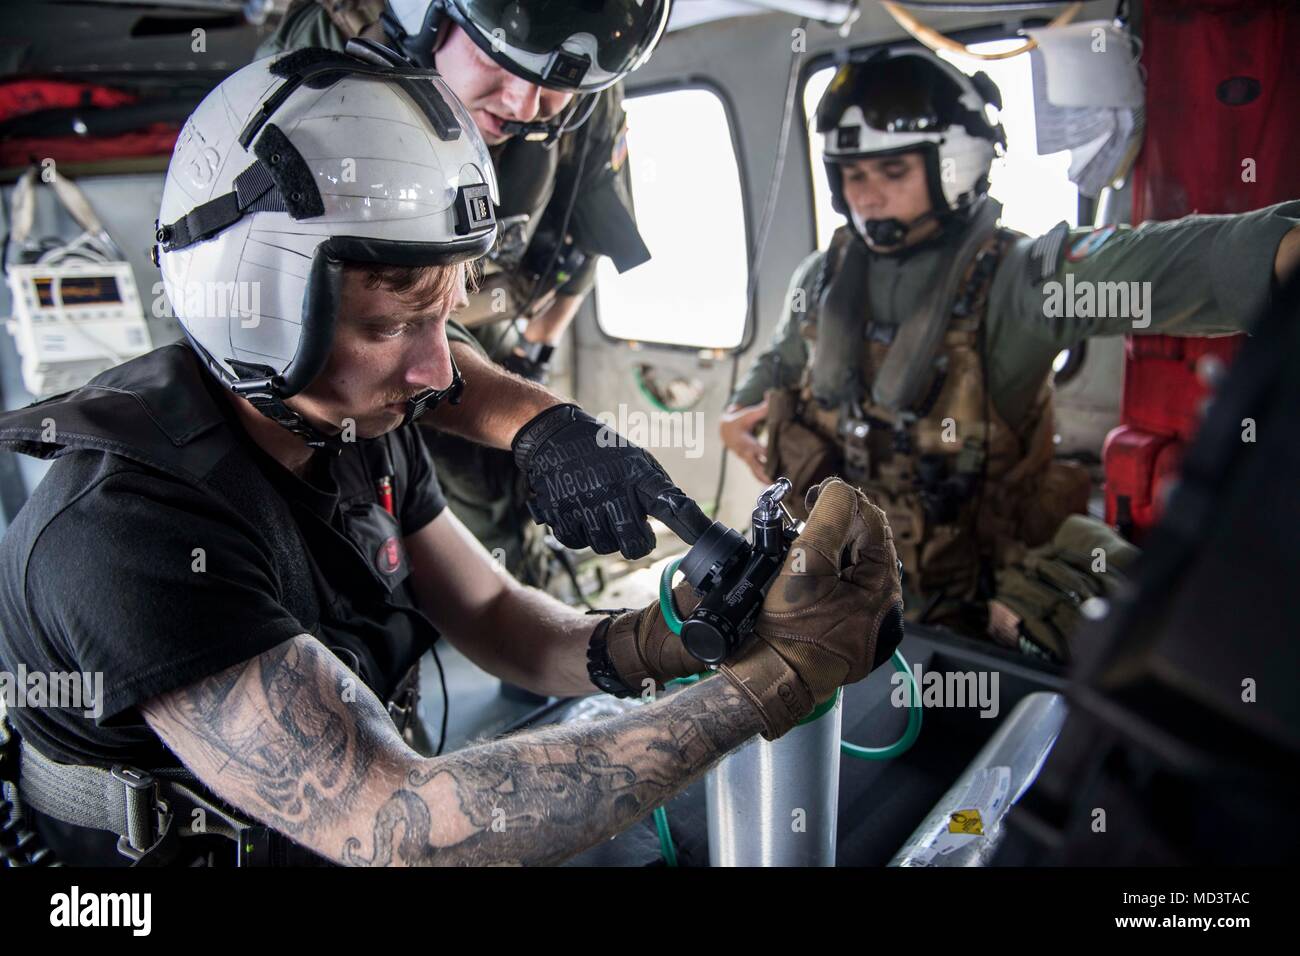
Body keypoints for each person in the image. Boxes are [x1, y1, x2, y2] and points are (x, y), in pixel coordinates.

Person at [0, 51, 904, 866]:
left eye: (446, 316)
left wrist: (663, 640)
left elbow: (495, 616)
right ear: (253, 309)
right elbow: (391, 820)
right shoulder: (127, 527)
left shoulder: (352, 421)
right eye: (391, 324)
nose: (439, 371)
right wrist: (768, 687)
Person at [720, 47, 1300, 659]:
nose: (867, 197)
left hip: (984, 591)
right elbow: (779, 362)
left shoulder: (1020, 281)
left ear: (954, 164)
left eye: (892, 172)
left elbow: (1184, 266)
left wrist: (1279, 250)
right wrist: (738, 411)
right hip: (847, 577)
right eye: (854, 174)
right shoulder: (822, 278)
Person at [259, 0, 667, 585]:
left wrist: (533, 354)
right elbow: (357, 304)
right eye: (496, 62)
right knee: (341, 541)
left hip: (488, 319)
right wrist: (532, 419)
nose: (524, 106)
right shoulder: (329, 69)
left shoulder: (585, 86)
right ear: (427, 16)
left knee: (510, 516)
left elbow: (587, 238)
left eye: (550, 87)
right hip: (357, 337)